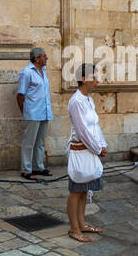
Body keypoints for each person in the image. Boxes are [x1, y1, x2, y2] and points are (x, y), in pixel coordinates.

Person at [64, 65, 107, 241]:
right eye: (93, 77)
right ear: (83, 79)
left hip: (89, 150)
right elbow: (82, 131)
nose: (96, 81)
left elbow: (94, 126)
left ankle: (82, 223)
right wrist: (97, 148)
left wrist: (102, 144)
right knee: (76, 190)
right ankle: (74, 229)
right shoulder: (77, 102)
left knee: (84, 190)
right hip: (80, 151)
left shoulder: (88, 100)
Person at [16, 47, 54, 180]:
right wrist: (25, 111)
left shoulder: (43, 71)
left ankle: (38, 166)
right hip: (33, 112)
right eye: (44, 56)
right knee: (29, 142)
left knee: (41, 142)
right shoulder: (27, 73)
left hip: (44, 111)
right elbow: (20, 95)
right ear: (37, 59)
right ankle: (26, 169)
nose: (46, 58)